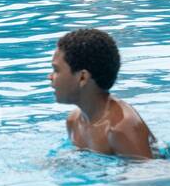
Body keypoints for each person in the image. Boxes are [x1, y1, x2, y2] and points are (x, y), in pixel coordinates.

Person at [50, 28, 158, 160]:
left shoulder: (121, 128)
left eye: (56, 70)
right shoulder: (73, 122)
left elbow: (150, 176)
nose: (50, 77)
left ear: (82, 77)